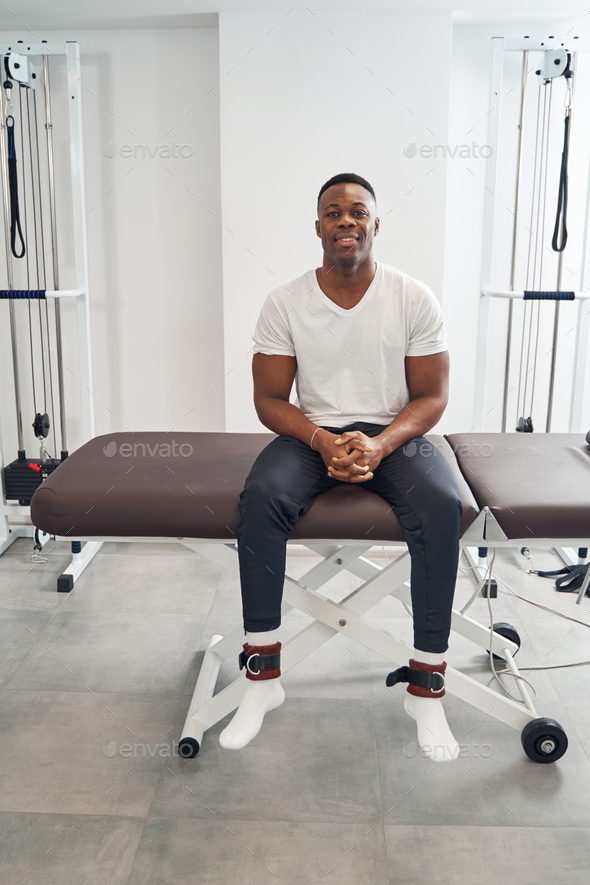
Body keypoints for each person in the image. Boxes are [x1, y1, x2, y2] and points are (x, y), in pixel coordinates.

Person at [219, 172, 463, 762]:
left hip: (395, 432)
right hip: (312, 432)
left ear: (376, 224)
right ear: (320, 227)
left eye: (357, 211)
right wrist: (323, 439)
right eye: (333, 212)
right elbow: (270, 400)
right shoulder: (285, 301)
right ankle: (262, 680)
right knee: (261, 497)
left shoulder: (413, 297)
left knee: (442, 504)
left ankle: (426, 687)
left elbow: (431, 397)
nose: (345, 221)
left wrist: (381, 445)